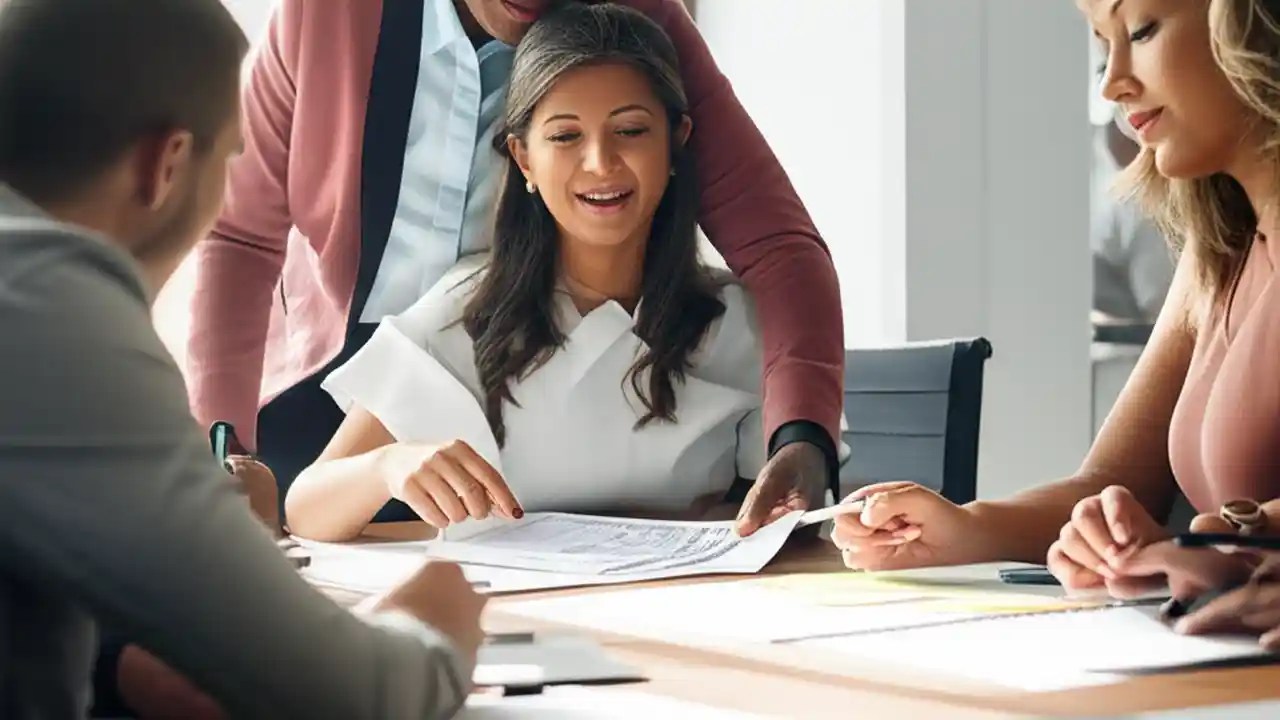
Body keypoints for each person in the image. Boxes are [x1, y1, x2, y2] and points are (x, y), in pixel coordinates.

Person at [183, 0, 845, 536]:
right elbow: (240, 237)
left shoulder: (633, 24)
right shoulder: (325, 15)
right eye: (563, 137)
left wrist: (800, 437)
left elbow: (780, 247)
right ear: (522, 157)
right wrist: (224, 441)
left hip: (519, 371)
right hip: (340, 404)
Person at [0, 1, 484, 717]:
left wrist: (115, 668)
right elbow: (357, 694)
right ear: (164, 165)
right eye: (230, 158)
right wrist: (435, 619)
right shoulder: (51, 304)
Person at [831, 0, 1280, 630]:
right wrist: (962, 527)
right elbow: (1109, 482)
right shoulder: (1219, 252)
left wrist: (1232, 535)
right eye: (1103, 47)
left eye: (1143, 31)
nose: (1112, 81)